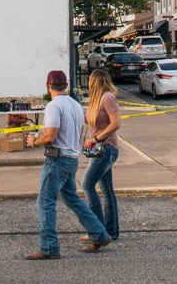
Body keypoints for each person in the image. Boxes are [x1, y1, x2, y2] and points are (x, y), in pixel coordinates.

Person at [25, 70, 111, 260]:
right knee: (73, 199)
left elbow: (50, 136)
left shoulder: (54, 106)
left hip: (56, 160)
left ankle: (49, 247)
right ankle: (99, 233)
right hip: (72, 158)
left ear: (48, 86)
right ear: (65, 85)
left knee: (45, 203)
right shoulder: (75, 105)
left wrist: (34, 141)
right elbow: (79, 131)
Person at [81, 69, 122, 242]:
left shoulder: (107, 98)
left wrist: (96, 138)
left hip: (107, 148)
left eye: (90, 80)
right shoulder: (95, 101)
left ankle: (97, 230)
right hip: (100, 149)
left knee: (87, 185)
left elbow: (116, 123)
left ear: (95, 81)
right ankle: (111, 231)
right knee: (107, 190)